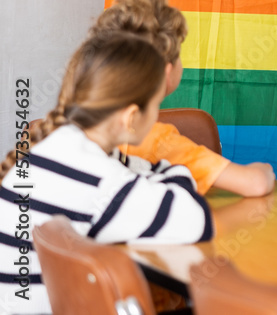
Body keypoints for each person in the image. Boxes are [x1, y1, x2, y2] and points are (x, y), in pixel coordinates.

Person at [0, 33, 214, 313]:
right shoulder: (103, 180)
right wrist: (176, 171)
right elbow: (196, 219)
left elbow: (136, 173)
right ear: (131, 117)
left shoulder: (55, 146)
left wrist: (149, 173)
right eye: (155, 107)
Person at [93, 0, 275, 197]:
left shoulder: (76, 128)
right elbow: (256, 183)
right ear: (167, 72)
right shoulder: (155, 140)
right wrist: (265, 169)